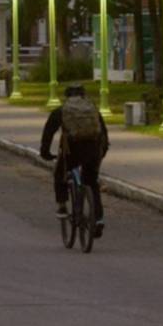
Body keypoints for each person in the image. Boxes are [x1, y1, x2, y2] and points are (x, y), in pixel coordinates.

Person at [40, 84, 110, 236]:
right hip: (93, 150)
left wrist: (45, 153)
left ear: (66, 96)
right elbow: (103, 134)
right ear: (84, 95)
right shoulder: (93, 110)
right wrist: (101, 154)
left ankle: (62, 206)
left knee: (60, 173)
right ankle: (98, 219)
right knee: (91, 182)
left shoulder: (61, 111)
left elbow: (48, 133)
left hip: (72, 152)